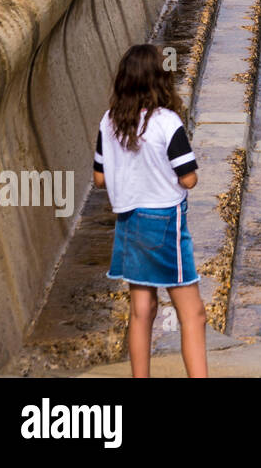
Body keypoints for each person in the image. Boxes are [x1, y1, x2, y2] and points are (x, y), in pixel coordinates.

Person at [93, 44, 208, 378]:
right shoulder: (166, 122)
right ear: (160, 80)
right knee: (193, 315)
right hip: (163, 223)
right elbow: (188, 179)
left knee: (142, 309)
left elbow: (99, 179)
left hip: (128, 222)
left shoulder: (109, 121)